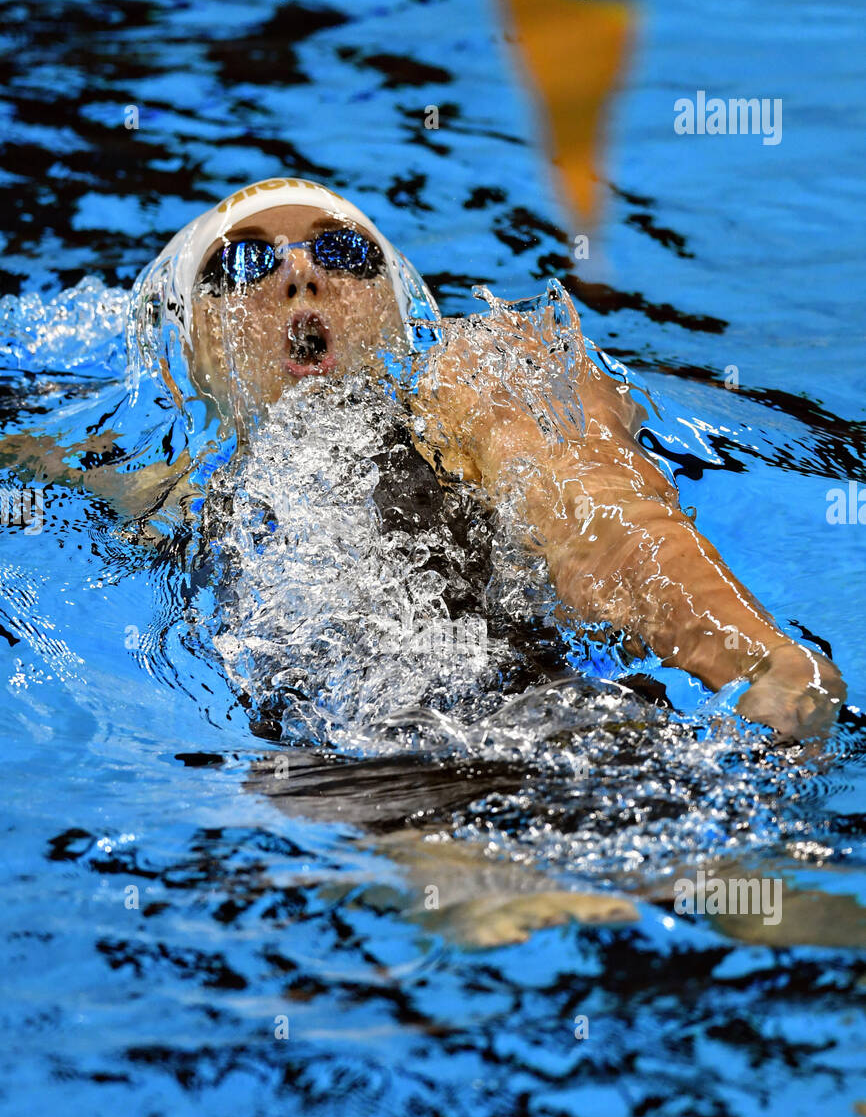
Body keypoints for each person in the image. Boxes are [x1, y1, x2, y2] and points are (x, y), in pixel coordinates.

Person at [2, 176, 845, 740]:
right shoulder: (166, 489)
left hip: (555, 731)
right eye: (244, 262)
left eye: (341, 251)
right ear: (191, 353)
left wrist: (758, 659)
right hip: (323, 786)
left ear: (398, 315)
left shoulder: (476, 384)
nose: (298, 272)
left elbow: (603, 525)